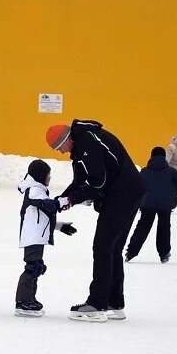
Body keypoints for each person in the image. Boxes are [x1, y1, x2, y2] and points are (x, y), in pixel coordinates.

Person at [46, 119, 145, 322]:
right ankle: (114, 302)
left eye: (59, 147)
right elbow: (80, 182)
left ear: (66, 139)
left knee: (102, 247)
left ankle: (97, 304)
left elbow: (97, 183)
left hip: (122, 195)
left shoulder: (88, 142)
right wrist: (63, 199)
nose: (61, 152)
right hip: (129, 193)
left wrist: (70, 199)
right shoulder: (84, 143)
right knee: (113, 248)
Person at [14, 159, 78, 317]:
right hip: (33, 238)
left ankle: (29, 299)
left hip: (37, 237)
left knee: (37, 267)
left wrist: (60, 226)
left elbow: (42, 217)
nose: (49, 177)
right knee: (33, 267)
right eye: (48, 174)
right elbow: (48, 205)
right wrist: (66, 200)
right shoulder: (34, 190)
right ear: (40, 175)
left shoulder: (38, 190)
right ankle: (23, 302)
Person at [125, 146, 177, 264]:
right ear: (164, 157)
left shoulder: (144, 172)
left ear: (151, 156)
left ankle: (131, 252)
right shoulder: (171, 172)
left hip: (147, 204)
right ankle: (164, 253)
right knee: (164, 228)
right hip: (165, 205)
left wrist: (130, 202)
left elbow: (134, 187)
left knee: (142, 227)